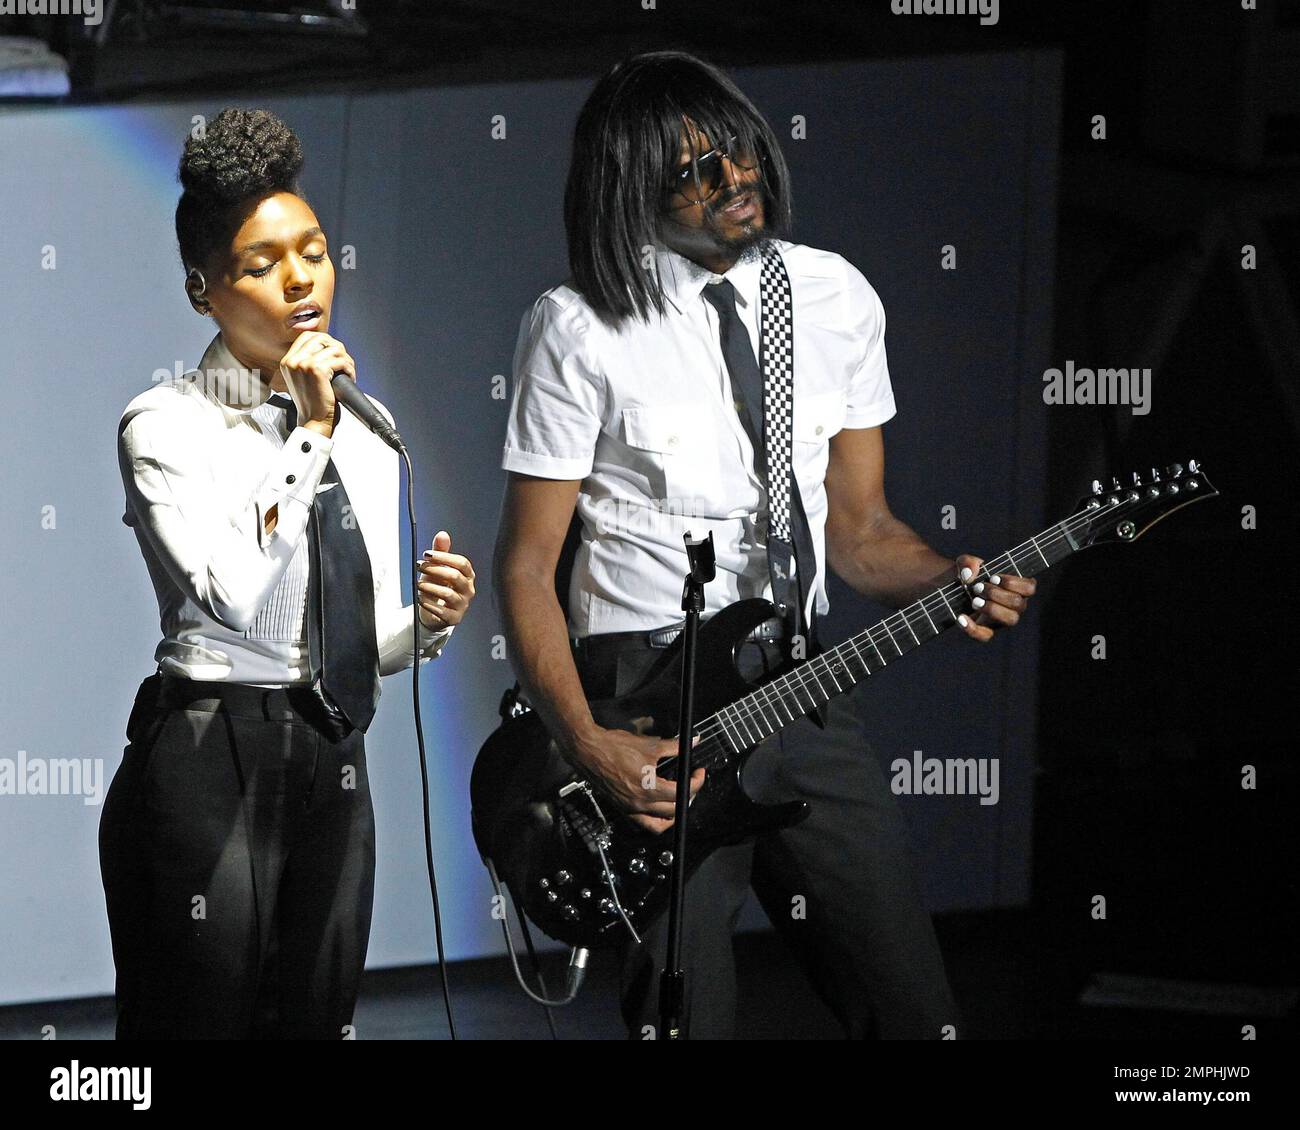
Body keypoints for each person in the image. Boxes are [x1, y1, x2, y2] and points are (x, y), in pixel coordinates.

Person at [494, 52, 1036, 1038]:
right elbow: (528, 566)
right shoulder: (576, 326)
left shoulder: (829, 297)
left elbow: (862, 533)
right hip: (649, 701)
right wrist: (593, 746)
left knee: (913, 1007)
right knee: (686, 1015)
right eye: (696, 167)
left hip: (799, 682)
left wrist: (947, 576)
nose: (736, 176)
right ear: (632, 187)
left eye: (739, 148)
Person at [99, 108, 476, 1039]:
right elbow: (230, 597)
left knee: (317, 1022)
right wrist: (307, 434)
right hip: (207, 754)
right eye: (262, 264)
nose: (300, 278)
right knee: (197, 1023)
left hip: (329, 758)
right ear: (203, 290)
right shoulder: (164, 424)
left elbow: (353, 645)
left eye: (311, 250)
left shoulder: (370, 427)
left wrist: (426, 622)